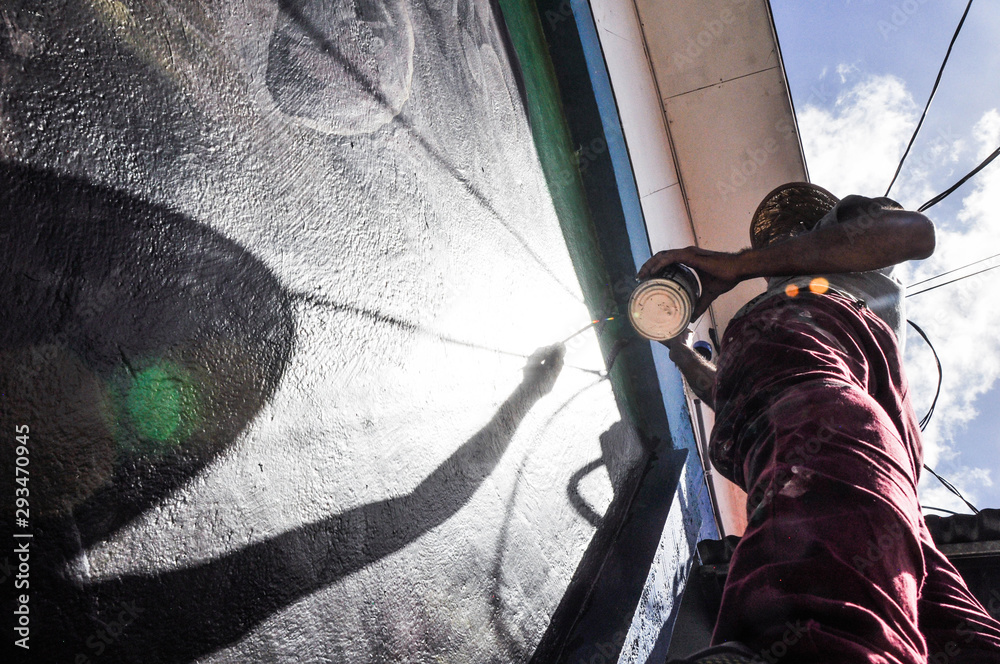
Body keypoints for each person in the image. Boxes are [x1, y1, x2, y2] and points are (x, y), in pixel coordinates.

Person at [637, 183, 1000, 664]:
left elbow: (914, 233)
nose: (774, 240)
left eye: (783, 228)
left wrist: (739, 264)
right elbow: (739, 399)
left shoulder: (841, 241)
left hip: (839, 415)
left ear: (816, 222)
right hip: (872, 469)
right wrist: (682, 352)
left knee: (836, 547)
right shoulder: (788, 312)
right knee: (949, 623)